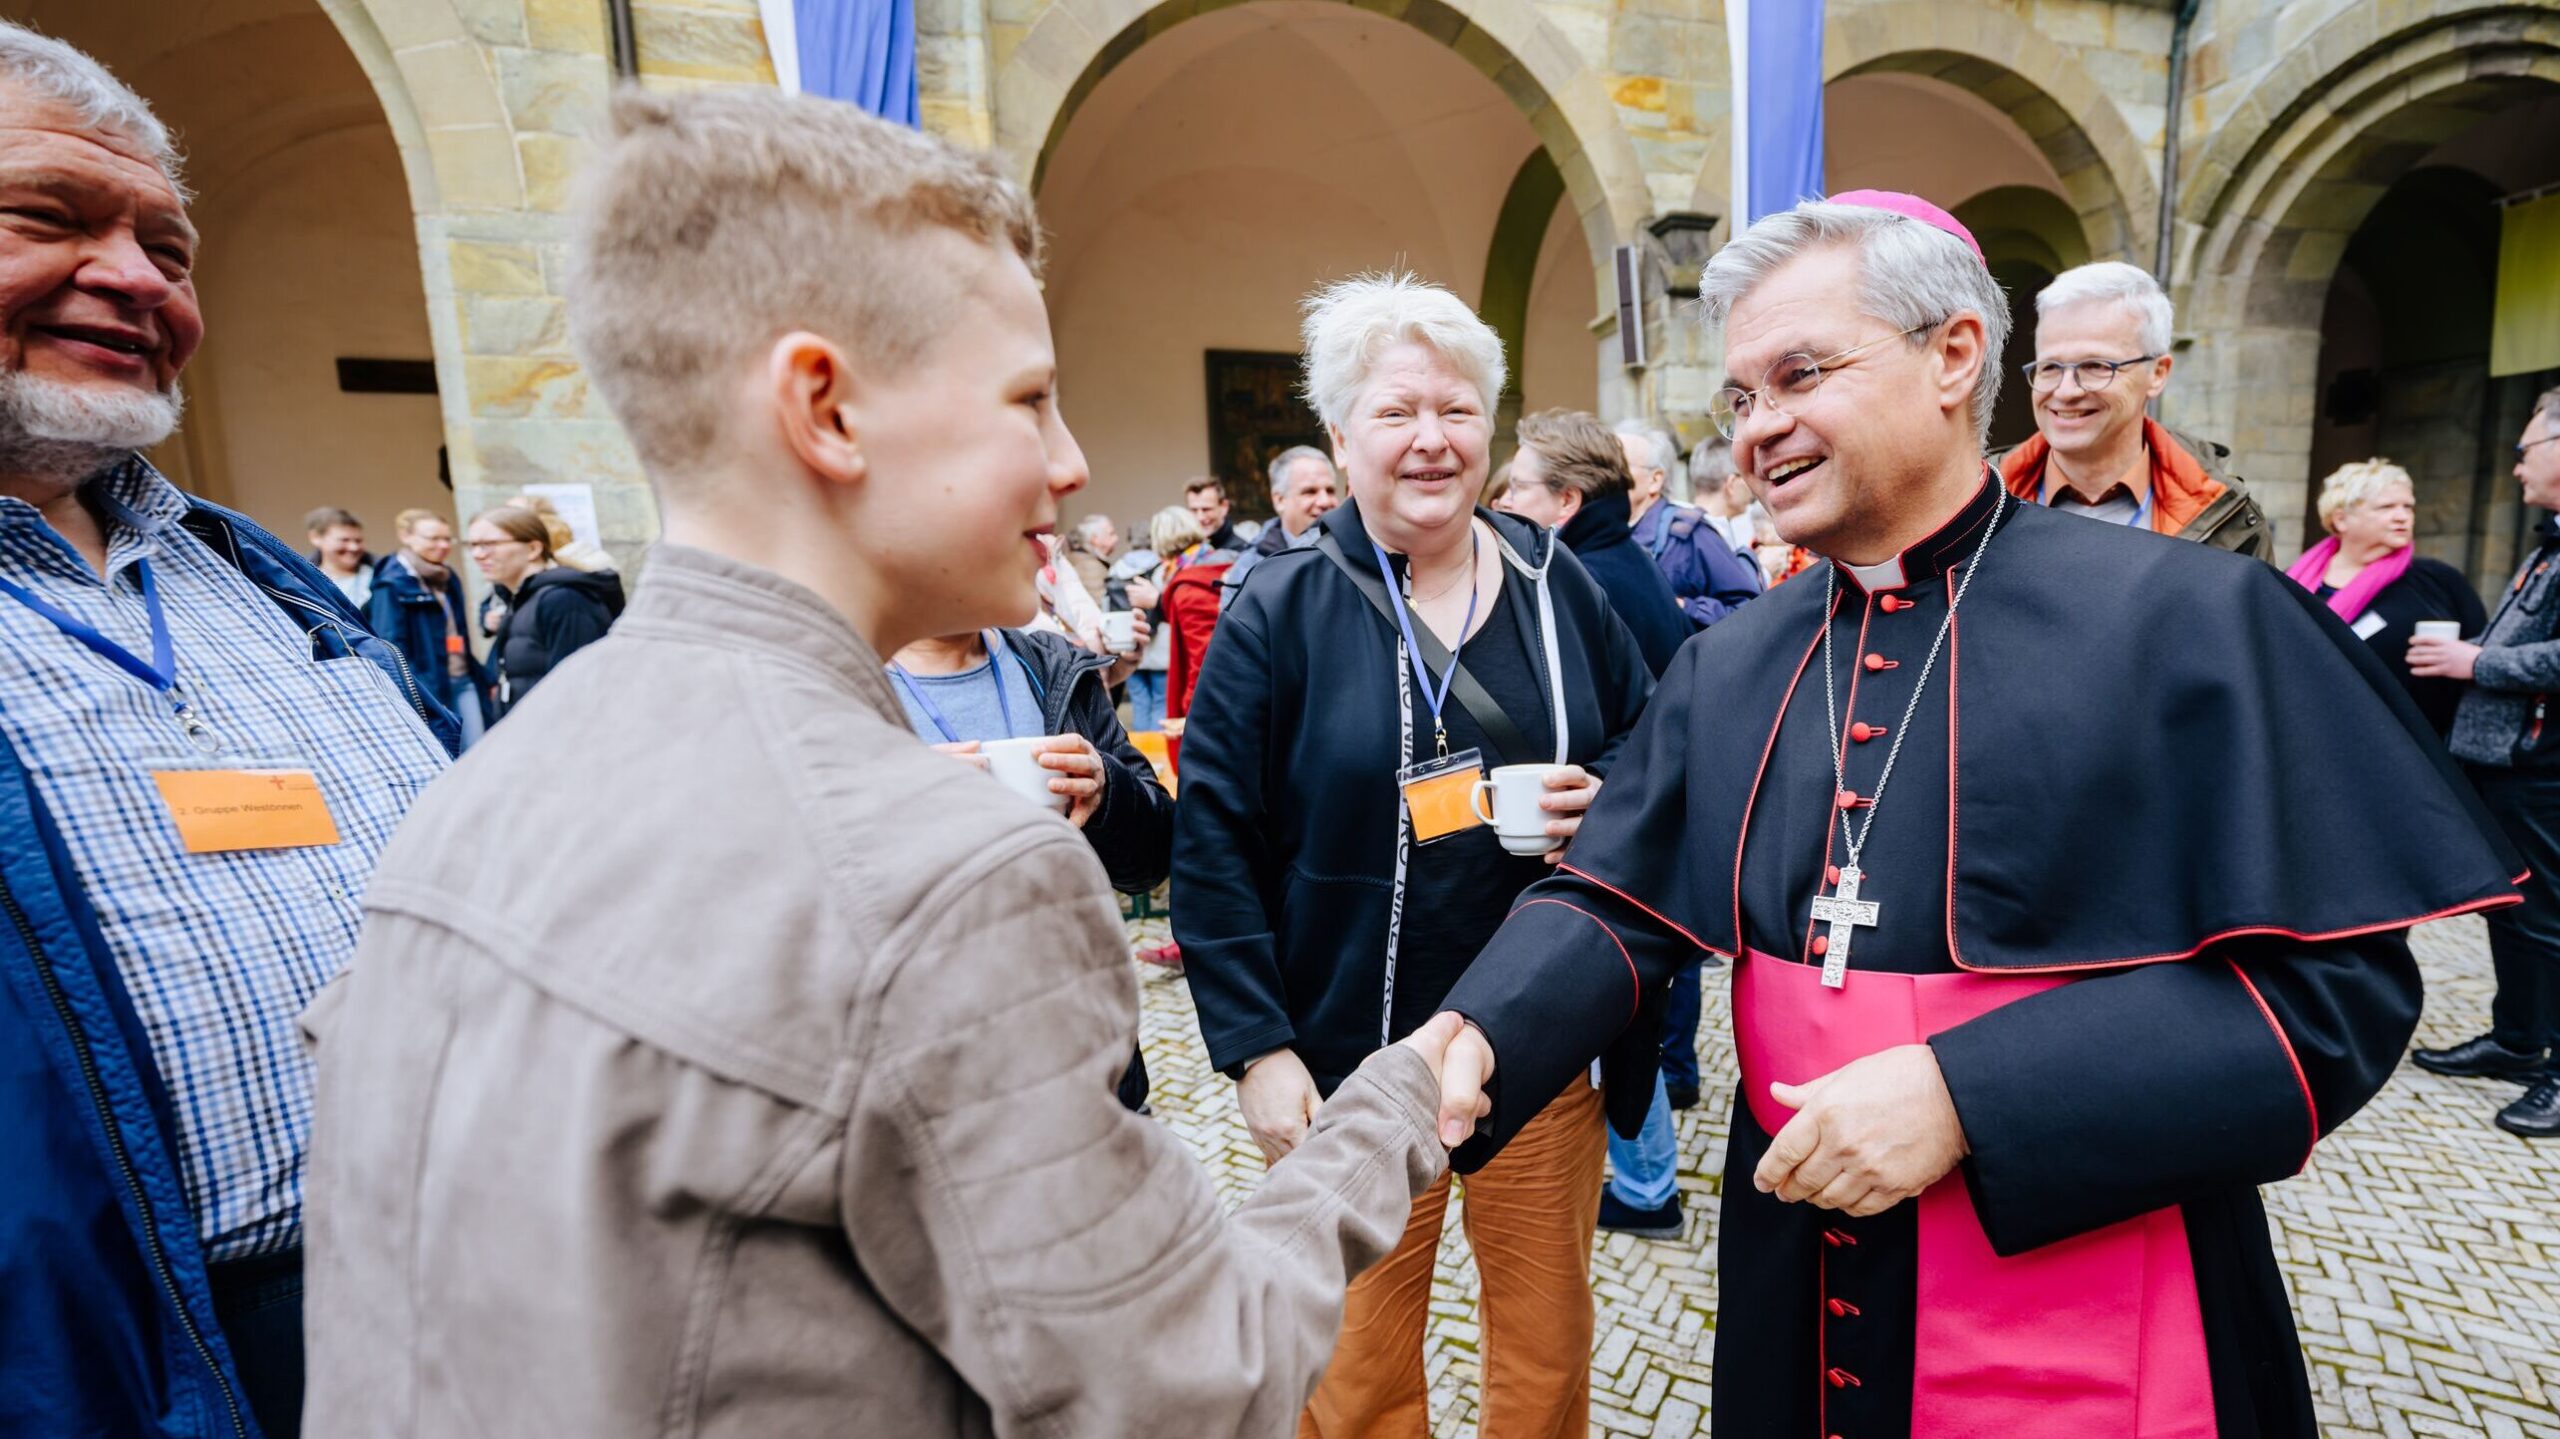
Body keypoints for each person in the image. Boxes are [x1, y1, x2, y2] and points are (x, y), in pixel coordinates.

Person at [303, 89, 1472, 1439]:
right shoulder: (952, 875)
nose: (1070, 459)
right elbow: (1185, 1382)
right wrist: (1386, 1109)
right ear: (826, 408)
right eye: (1029, 399)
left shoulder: (475, 795)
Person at [1421, 191, 2519, 1439]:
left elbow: (2332, 996)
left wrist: (1969, 1093)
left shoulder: (2192, 619)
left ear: (1952, 355)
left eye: (1797, 374)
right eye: (1738, 398)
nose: (1758, 429)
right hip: (1803, 1259)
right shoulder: (1736, 661)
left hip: (2095, 1266)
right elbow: (1618, 895)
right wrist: (1477, 1027)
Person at [0, 25, 458, 1439]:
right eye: (48, 218)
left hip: (459, 1301)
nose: (136, 279)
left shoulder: (259, 575)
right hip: (121, 1370)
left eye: (172, 248)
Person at [1174, 272, 1652, 1439]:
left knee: (1544, 1358)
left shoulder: (1556, 585)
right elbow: (1215, 839)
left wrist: (1611, 804)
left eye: (1455, 410)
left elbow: (1652, 752)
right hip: (1353, 1060)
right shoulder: (1279, 605)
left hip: (1539, 1051)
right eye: (1396, 412)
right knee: (1355, 1367)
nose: (1431, 440)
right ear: (1341, 434)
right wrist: (1254, 1047)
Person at [1495, 408, 1695, 1241]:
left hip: (1616, 846)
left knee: (1617, 1019)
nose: (1498, 497)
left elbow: (1652, 723)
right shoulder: (1618, 560)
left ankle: (1647, 1187)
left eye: (1515, 486)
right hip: (1629, 834)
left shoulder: (1586, 580)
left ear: (1566, 500)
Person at [889, 622, 1169, 1109]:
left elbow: (1153, 858)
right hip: (937, 1090)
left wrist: (1106, 791)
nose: (1049, 540)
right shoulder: (828, 692)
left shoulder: (1052, 665)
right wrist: (897, 812)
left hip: (1092, 1069)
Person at [2411, 388, 2560, 1137]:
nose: (2514, 466)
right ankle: (2517, 1037)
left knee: (2551, 921)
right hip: (2508, 763)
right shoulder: (2549, 541)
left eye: (2527, 447)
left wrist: (2477, 661)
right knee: (2517, 914)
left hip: (2545, 767)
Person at [1998, 261, 2273, 558]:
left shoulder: (2230, 522)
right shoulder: (1974, 498)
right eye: (2050, 367)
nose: (2065, 391)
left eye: (2095, 366)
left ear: (2157, 373)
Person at [2285, 460, 2483, 738]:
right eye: (2386, 507)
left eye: (2408, 506)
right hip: (2312, 730)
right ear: (2341, 519)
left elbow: (2482, 648)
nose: (2402, 516)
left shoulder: (2439, 582)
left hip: (2407, 738)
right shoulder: (2294, 582)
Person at [466, 502, 623, 717]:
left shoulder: (564, 599)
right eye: (472, 545)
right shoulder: (519, 598)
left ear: (533, 549)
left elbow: (579, 692)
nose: (477, 554)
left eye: (489, 544)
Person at [366, 506, 495, 747]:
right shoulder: (391, 583)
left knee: (478, 748)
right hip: (429, 687)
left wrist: (485, 677)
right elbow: (390, 645)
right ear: (406, 536)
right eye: (433, 538)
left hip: (462, 678)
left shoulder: (448, 576)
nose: (443, 545)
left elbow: (460, 633)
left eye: (447, 538)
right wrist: (417, 690)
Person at [1620, 426, 1762, 629]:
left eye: (1618, 466)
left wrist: (1684, 607)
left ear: (1655, 480)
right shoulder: (1613, 535)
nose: (1606, 475)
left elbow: (1748, 611)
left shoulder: (1691, 534)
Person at [1222, 444, 1339, 601]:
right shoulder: (1249, 568)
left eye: (1330, 491)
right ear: (1279, 500)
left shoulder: (1357, 549)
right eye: (1310, 492)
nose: (1325, 501)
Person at [1120, 504, 1198, 732]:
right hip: (1163, 652)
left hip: (1138, 649)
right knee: (1161, 707)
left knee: (1141, 705)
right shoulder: (1167, 570)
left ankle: (1146, 758)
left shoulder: (1120, 569)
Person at [1688, 435, 1759, 558]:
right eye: (1746, 475)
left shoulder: (1683, 531)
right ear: (1731, 483)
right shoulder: (1712, 538)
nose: (1752, 487)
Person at [303, 503, 375, 606]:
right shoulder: (302, 579)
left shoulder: (377, 578)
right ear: (315, 538)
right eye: (344, 540)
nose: (354, 547)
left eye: (358, 541)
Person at [1064, 510, 1119, 602]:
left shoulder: (1081, 560)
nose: (1116, 538)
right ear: (1095, 539)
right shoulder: (1090, 568)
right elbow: (1100, 606)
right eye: (1111, 534)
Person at [1187, 473, 1243, 551]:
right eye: (1194, 510)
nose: (1200, 517)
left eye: (1206, 509)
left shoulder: (1241, 552)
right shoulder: (1186, 552)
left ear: (1224, 507)